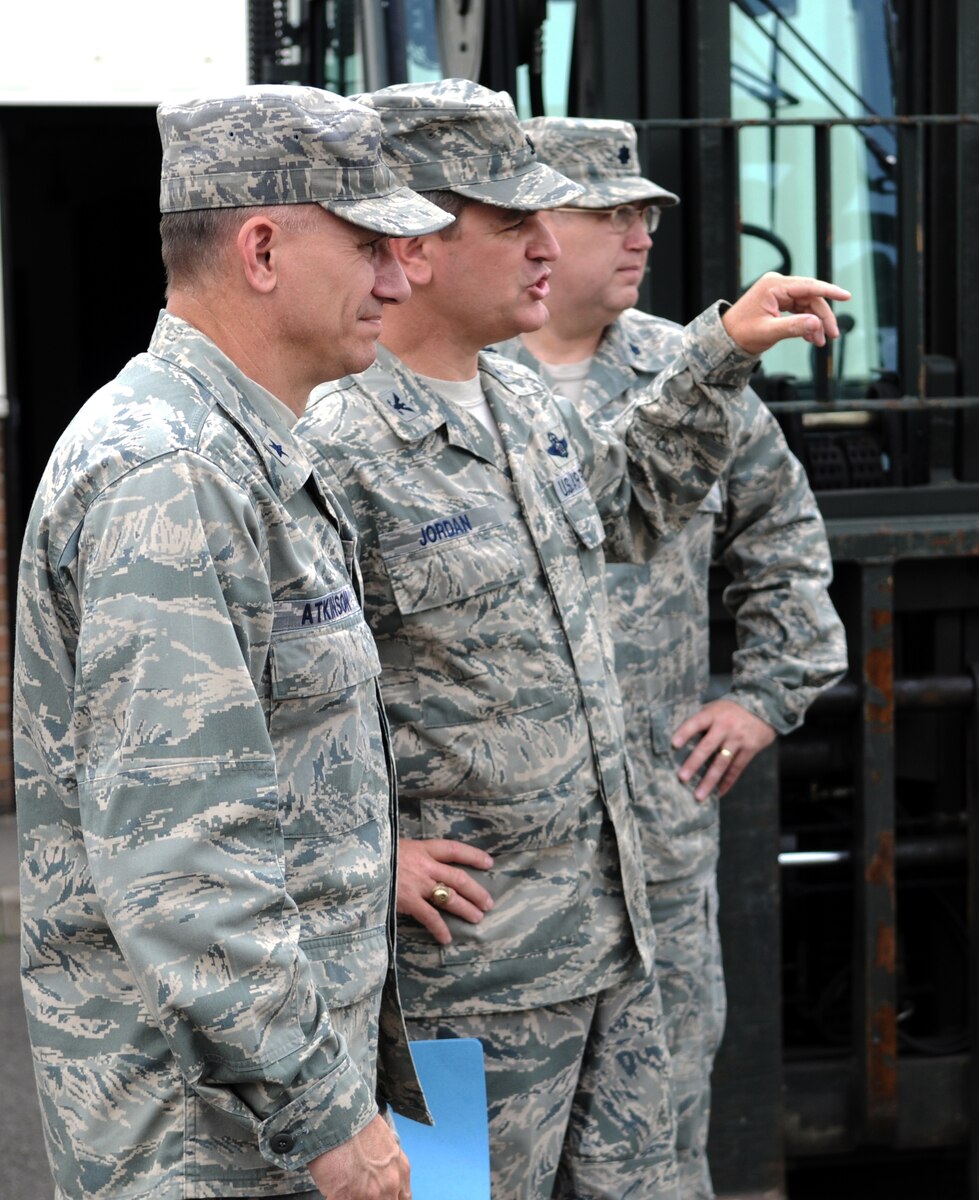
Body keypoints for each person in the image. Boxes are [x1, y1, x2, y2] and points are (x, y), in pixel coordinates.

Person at [295, 78, 848, 1200]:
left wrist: (721, 350)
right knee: (456, 1195)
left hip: (615, 944)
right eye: (514, 222)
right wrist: (357, 859)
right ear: (414, 239)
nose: (547, 247)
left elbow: (632, 499)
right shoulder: (329, 442)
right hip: (461, 985)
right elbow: (251, 709)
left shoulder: (519, 403)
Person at [13, 85, 455, 1200]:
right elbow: (184, 863)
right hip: (205, 1138)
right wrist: (329, 1118)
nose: (399, 281)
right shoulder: (175, 473)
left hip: (256, 1107)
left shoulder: (245, 452)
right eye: (369, 247)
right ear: (262, 248)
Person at [497, 116, 849, 1199]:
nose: (637, 232)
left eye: (643, 211)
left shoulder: (689, 376)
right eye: (607, 210)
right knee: (465, 1157)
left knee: (652, 1147)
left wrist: (764, 694)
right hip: (487, 883)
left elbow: (783, 542)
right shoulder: (445, 385)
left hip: (650, 843)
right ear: (530, 228)